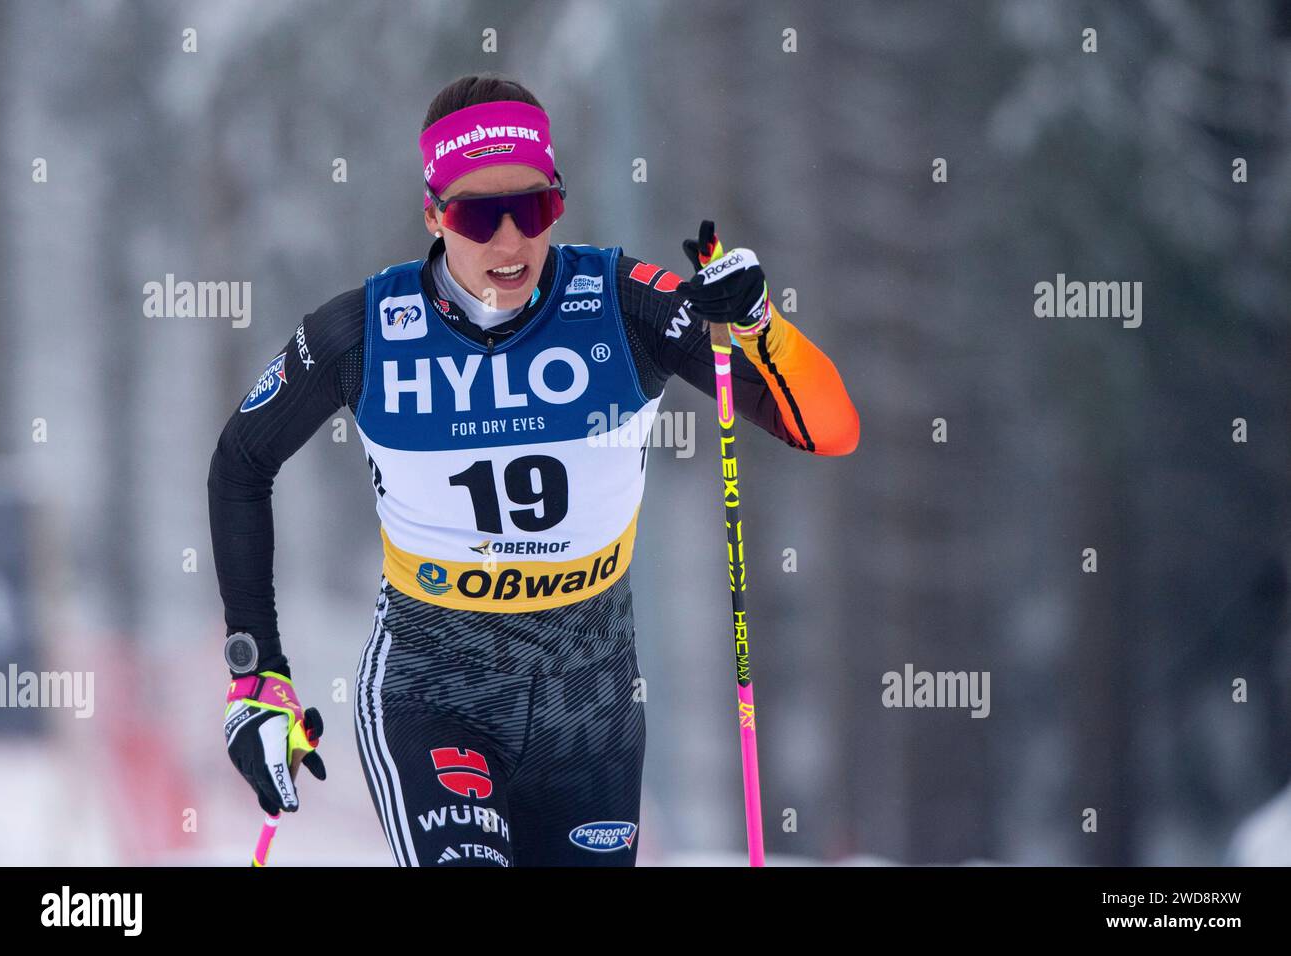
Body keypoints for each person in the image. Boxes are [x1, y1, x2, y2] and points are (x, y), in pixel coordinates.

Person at [209, 72, 860, 867]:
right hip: (433, 687)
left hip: (591, 708)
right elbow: (241, 463)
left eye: (535, 207)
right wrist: (256, 676)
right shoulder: (366, 332)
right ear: (432, 213)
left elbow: (827, 429)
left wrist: (762, 325)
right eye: (478, 214)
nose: (510, 240)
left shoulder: (624, 306)